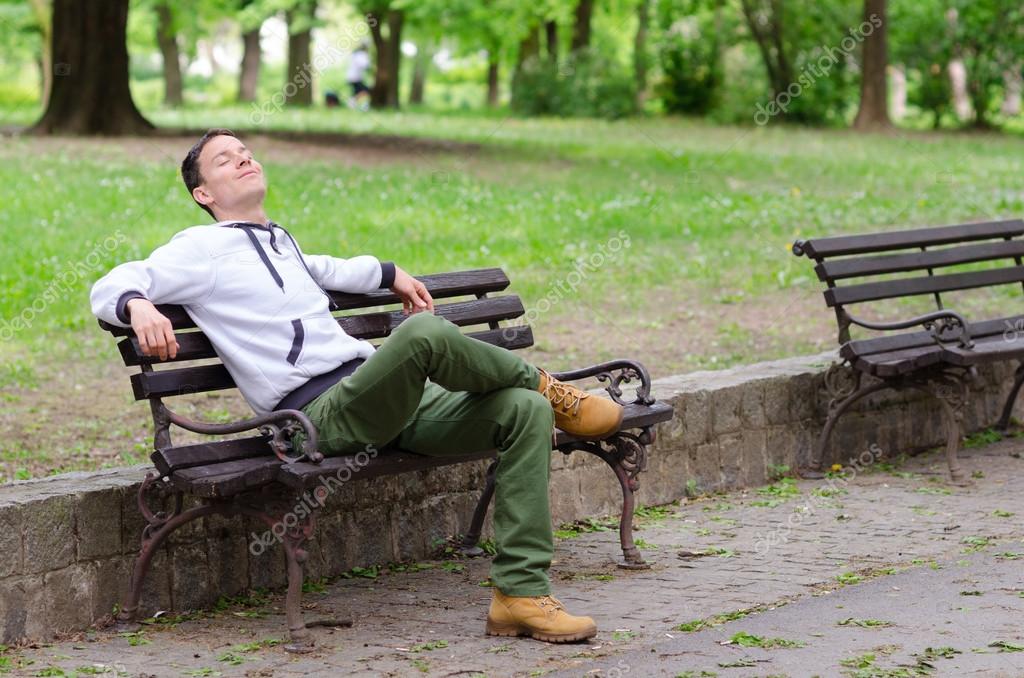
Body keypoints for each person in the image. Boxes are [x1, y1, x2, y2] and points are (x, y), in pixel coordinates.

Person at [89, 129, 624, 644]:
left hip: (379, 400)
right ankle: (555, 390)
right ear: (202, 192)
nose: (244, 158)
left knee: (523, 412)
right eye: (225, 159)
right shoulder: (199, 248)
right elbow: (114, 281)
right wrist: (136, 304)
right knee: (422, 334)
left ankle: (520, 595)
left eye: (246, 151)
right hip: (316, 418)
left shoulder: (276, 240)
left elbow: (326, 268)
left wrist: (387, 273)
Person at [346, 42, 371, 111]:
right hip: (355, 77)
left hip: (353, 77)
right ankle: (352, 102)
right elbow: (364, 65)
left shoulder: (356, 54)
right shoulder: (361, 54)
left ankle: (353, 103)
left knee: (357, 92)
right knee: (365, 91)